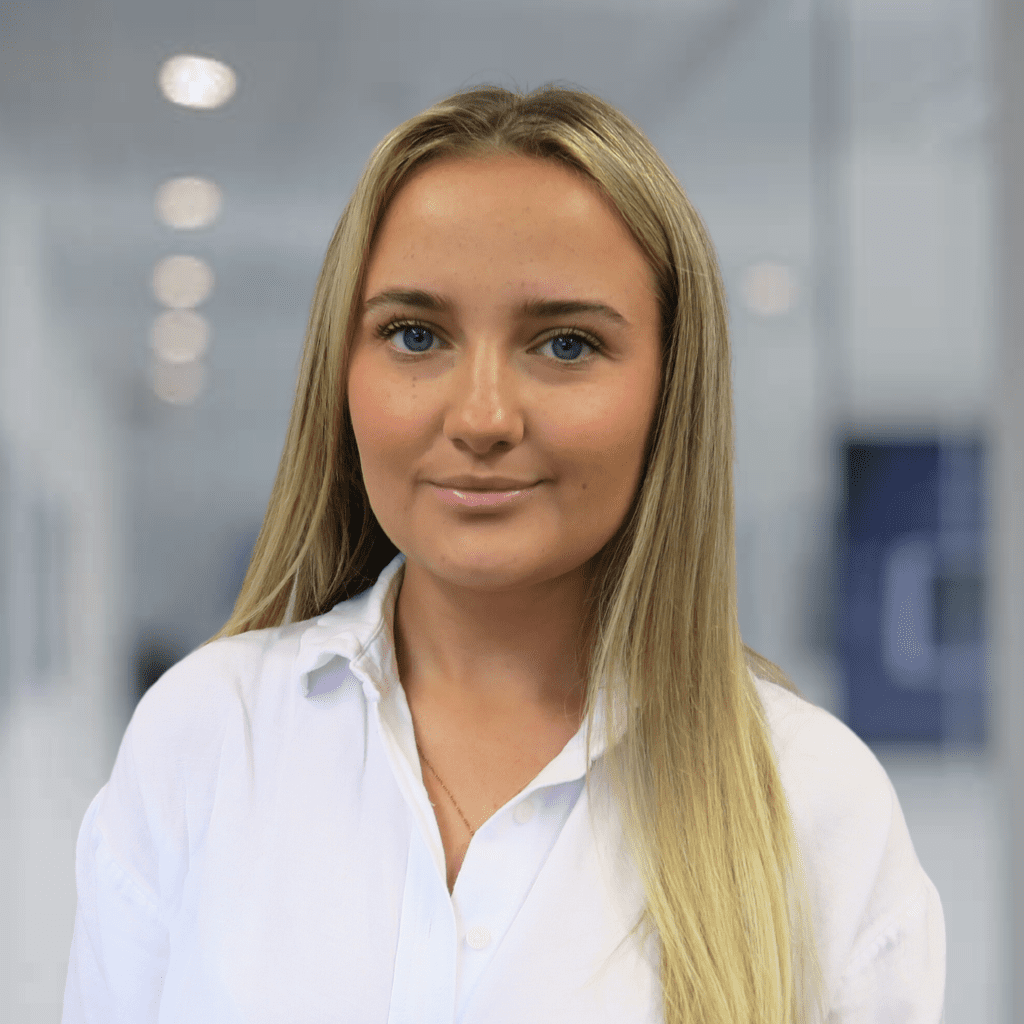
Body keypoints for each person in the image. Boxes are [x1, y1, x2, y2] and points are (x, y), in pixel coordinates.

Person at [62, 84, 946, 1024]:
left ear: (670, 393)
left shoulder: (815, 806)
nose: (482, 417)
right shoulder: (207, 736)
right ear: (341, 374)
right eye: (415, 336)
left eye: (565, 345)